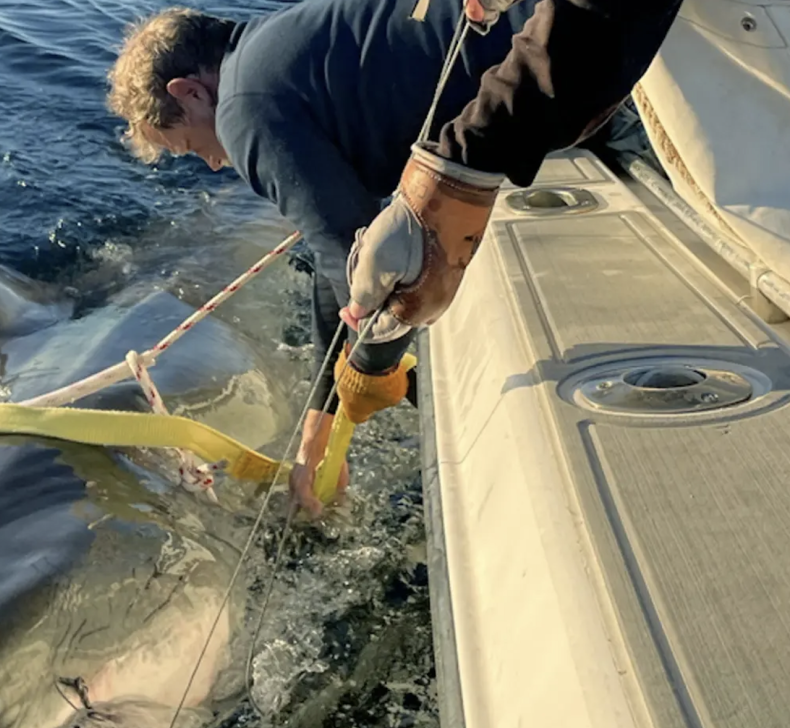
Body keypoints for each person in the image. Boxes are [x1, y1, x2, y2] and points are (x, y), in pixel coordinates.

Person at [107, 0, 683, 515]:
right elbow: (343, 248)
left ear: (188, 92)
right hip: (594, 62)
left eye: (192, 145)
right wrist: (323, 406)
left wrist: (350, 402)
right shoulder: (273, 48)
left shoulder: (243, 111)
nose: (212, 163)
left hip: (579, 66)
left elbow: (356, 259)